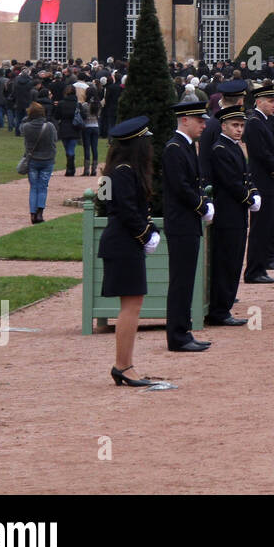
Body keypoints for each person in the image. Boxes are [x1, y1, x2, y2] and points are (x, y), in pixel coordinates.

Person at [98, 116, 161, 387]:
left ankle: (124, 364)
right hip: (124, 242)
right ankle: (123, 365)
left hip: (121, 241)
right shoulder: (123, 171)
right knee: (130, 307)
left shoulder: (116, 169)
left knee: (132, 305)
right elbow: (125, 210)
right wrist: (145, 234)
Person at [162, 100, 215, 353]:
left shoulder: (184, 146)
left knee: (185, 280)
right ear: (185, 120)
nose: (204, 124)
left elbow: (191, 184)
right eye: (199, 120)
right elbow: (181, 187)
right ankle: (177, 336)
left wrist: (202, 202)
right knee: (181, 281)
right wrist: (201, 206)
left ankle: (183, 331)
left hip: (187, 222)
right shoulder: (174, 148)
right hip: (181, 223)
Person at [206, 104, 259, 327]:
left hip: (236, 213)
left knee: (235, 260)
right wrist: (249, 198)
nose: (239, 129)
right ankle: (219, 310)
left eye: (241, 125)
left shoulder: (234, 147)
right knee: (226, 262)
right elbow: (231, 182)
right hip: (227, 214)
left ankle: (224, 306)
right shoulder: (220, 149)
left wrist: (254, 192)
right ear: (224, 126)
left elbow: (245, 177)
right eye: (234, 125)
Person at [243, 83, 274, 284]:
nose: (273, 104)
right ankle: (254, 270)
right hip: (262, 179)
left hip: (268, 179)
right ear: (259, 102)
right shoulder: (254, 122)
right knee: (260, 227)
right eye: (270, 101)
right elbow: (262, 153)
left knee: (268, 225)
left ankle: (261, 266)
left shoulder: (264, 121)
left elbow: (273, 148)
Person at [20, 102, 57, 224]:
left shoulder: (26, 127)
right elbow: (54, 140)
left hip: (33, 160)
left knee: (33, 187)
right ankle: (40, 213)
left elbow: (21, 127)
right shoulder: (50, 126)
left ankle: (32, 214)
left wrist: (27, 118)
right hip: (47, 160)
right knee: (43, 187)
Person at [53, 86, 81, 176]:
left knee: (67, 149)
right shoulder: (77, 104)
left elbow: (56, 116)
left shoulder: (61, 104)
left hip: (64, 127)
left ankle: (70, 168)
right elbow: (83, 115)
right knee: (71, 149)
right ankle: (71, 169)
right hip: (75, 127)